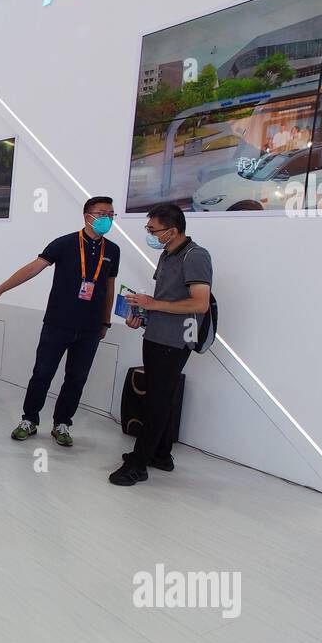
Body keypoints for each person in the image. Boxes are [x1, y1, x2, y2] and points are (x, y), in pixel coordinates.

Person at [0, 197, 120, 447]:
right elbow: (34, 268)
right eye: (102, 214)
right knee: (42, 373)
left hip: (90, 328)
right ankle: (29, 419)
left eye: (111, 214)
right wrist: (1, 289)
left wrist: (106, 321)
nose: (107, 219)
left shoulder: (112, 250)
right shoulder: (65, 243)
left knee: (77, 378)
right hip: (58, 323)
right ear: (87, 216)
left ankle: (62, 423)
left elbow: (109, 288)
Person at [110, 203, 212, 486]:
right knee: (158, 397)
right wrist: (142, 315)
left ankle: (138, 464)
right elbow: (166, 299)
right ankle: (161, 455)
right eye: (148, 229)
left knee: (155, 402)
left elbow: (200, 303)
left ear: (173, 230)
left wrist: (152, 304)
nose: (150, 234)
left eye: (153, 230)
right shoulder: (167, 255)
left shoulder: (196, 256)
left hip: (175, 341)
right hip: (155, 335)